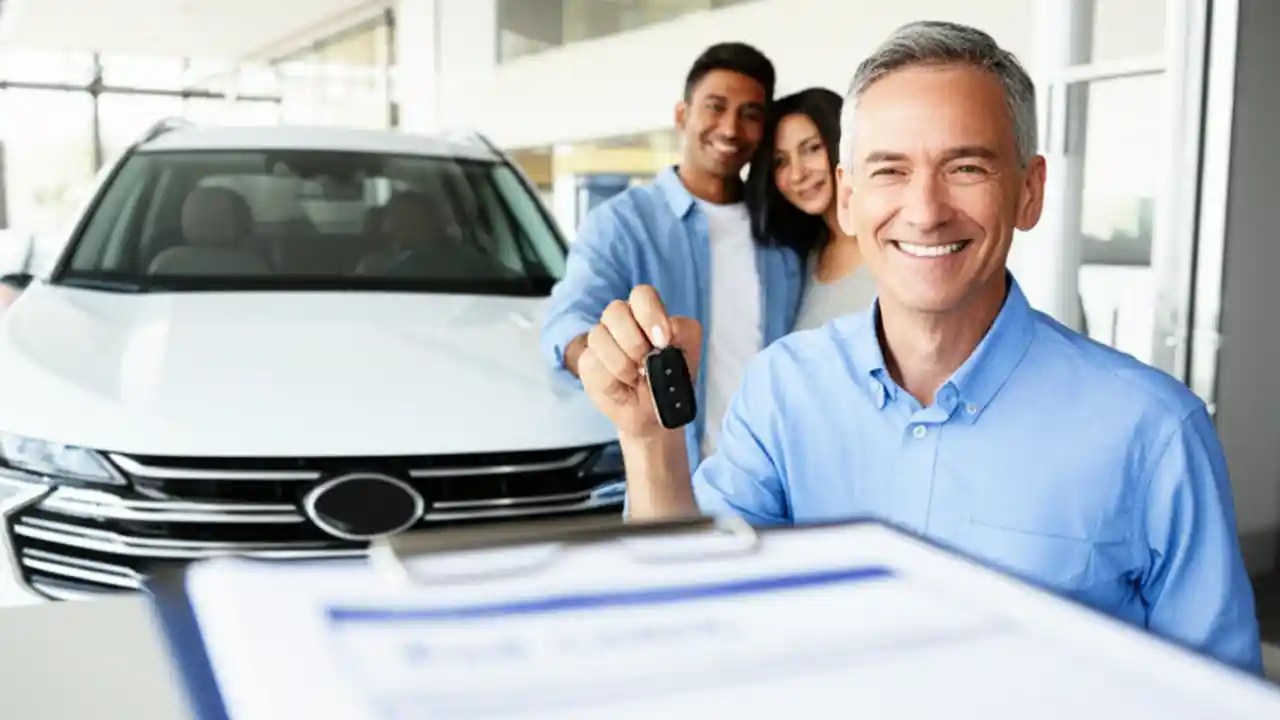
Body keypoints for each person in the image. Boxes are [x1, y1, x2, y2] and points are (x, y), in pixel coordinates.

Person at [574, 21, 1262, 673]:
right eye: (889, 170)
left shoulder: (1156, 432)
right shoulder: (783, 389)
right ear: (847, 199)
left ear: (1029, 191)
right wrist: (651, 441)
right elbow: (694, 606)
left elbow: (1218, 695)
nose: (925, 209)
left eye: (966, 167)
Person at [540, 42, 804, 473]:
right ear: (682, 115)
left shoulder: (783, 232)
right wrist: (604, 357)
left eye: (751, 115)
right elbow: (567, 322)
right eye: (715, 107)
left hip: (771, 477)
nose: (731, 128)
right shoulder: (622, 223)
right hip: (671, 477)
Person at [747, 88, 877, 330]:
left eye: (812, 148)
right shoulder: (804, 258)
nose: (798, 174)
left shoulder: (890, 241)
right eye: (781, 161)